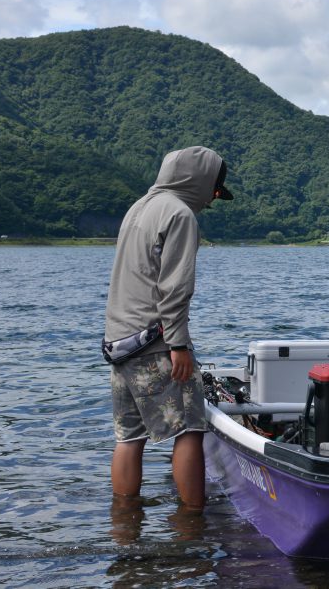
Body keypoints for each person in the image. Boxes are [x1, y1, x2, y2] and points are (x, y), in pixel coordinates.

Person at [103, 145, 233, 509]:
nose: (212, 199)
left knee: (129, 438)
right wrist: (178, 344)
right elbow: (174, 288)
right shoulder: (179, 214)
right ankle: (192, 523)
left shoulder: (139, 208)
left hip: (120, 342)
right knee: (190, 429)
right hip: (156, 343)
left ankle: (124, 522)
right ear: (199, 181)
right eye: (214, 190)